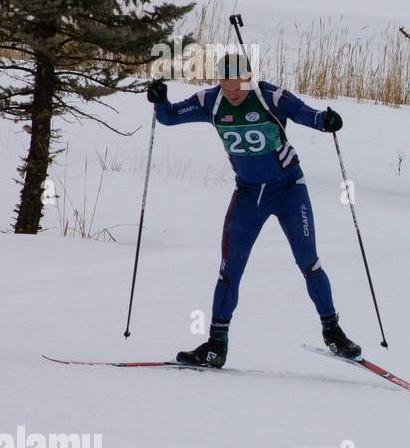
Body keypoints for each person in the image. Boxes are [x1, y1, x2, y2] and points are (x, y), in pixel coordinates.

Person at [145, 53, 361, 367]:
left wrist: (325, 120)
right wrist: (159, 100)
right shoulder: (210, 101)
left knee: (308, 261)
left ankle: (333, 332)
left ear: (249, 79)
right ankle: (216, 345)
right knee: (229, 269)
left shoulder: (269, 96)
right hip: (248, 194)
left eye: (238, 88)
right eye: (226, 86)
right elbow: (169, 117)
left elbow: (304, 114)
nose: (232, 94)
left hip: (289, 190)